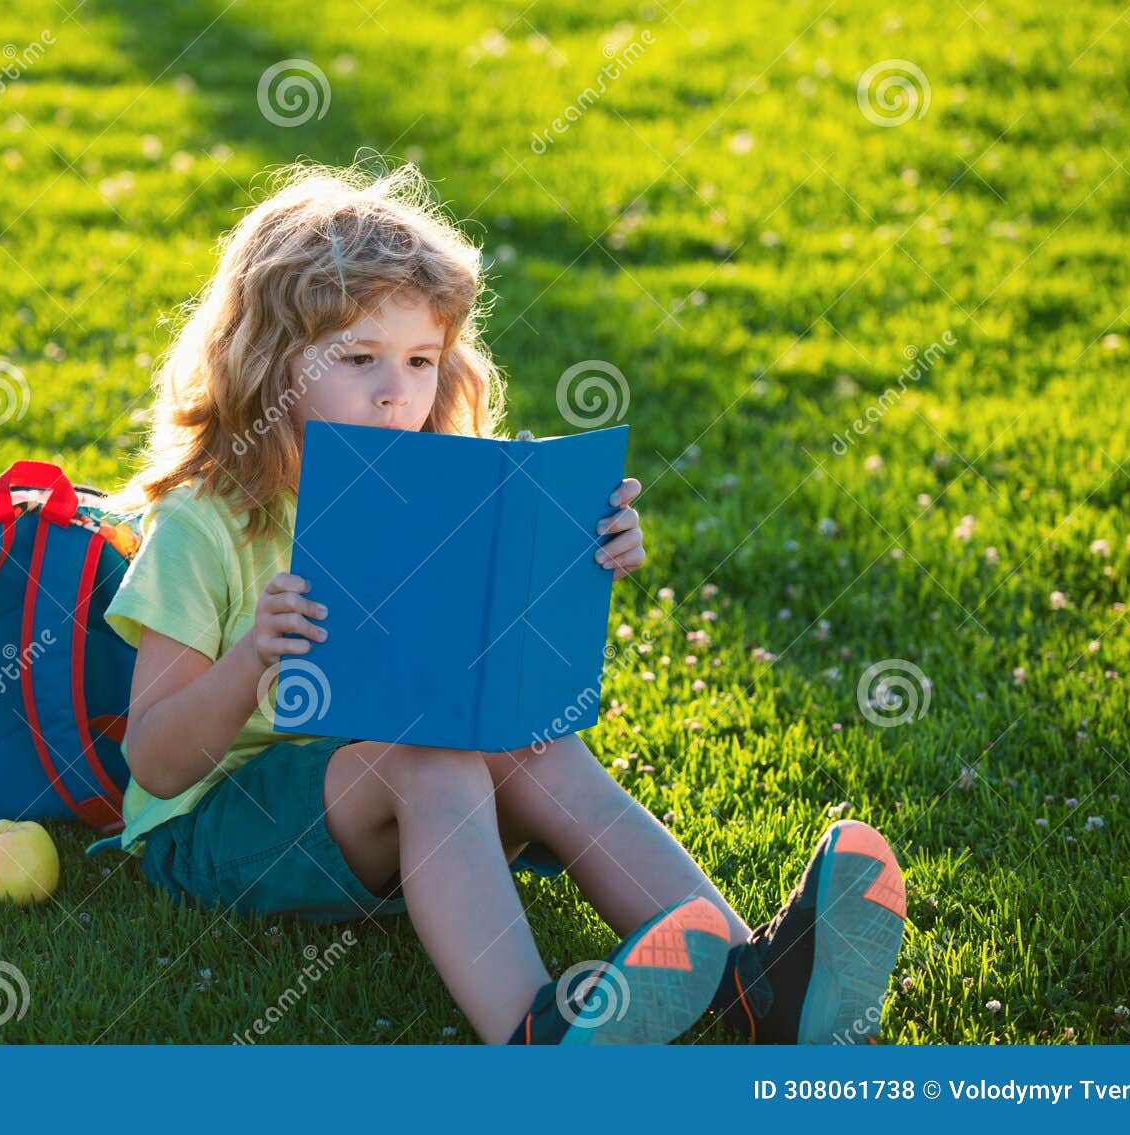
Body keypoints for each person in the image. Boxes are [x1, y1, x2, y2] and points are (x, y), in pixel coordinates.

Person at [87, 160, 906, 1045]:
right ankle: (533, 1032)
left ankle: (757, 984)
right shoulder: (207, 522)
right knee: (430, 762)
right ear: (267, 367)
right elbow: (157, 763)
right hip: (217, 825)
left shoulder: (433, 493)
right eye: (358, 359)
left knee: (535, 746)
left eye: (420, 360)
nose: (396, 392)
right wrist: (252, 658)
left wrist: (578, 561)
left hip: (380, 789)